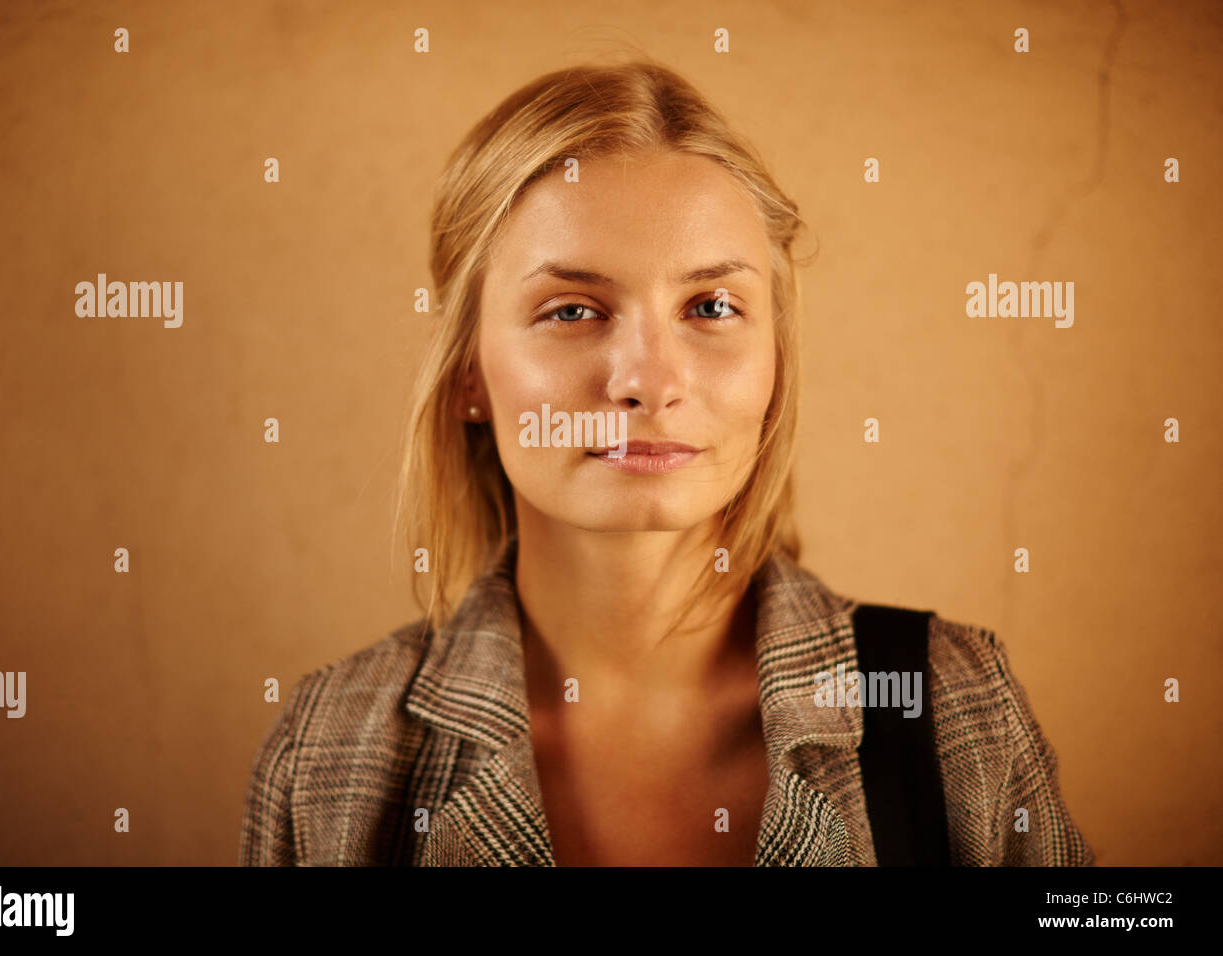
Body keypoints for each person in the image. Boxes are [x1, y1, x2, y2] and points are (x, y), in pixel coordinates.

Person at [238, 59, 1094, 866]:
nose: (649, 380)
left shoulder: (947, 700)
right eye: (573, 309)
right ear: (468, 372)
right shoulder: (331, 750)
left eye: (711, 306)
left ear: (775, 362)